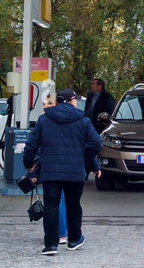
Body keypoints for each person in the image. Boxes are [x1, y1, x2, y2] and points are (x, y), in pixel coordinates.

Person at [22, 88, 101, 257]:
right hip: (74, 172)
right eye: (75, 100)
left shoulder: (44, 120)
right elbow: (95, 143)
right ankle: (74, 240)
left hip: (51, 173)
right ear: (71, 100)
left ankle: (50, 245)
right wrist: (86, 162)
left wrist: (29, 164)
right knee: (73, 205)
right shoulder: (83, 120)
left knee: (51, 206)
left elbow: (31, 145)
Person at [38, 95, 69, 244]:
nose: (45, 106)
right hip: (66, 167)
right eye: (44, 103)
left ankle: (59, 233)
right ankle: (63, 232)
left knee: (54, 202)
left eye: (49, 103)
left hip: (51, 168)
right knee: (61, 200)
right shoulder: (68, 120)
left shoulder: (44, 122)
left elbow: (36, 147)